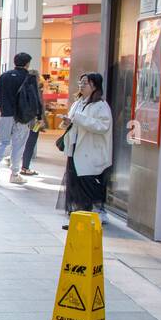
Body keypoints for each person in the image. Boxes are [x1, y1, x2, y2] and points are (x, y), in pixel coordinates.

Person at [59, 72, 112, 225]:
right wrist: (67, 122)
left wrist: (78, 119)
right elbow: (73, 123)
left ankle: (95, 212)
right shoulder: (78, 103)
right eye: (80, 82)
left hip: (90, 150)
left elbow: (102, 126)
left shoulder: (101, 106)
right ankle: (80, 212)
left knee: (89, 182)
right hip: (75, 148)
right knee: (76, 181)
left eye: (85, 83)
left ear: (94, 86)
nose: (81, 85)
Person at [0, 51, 41, 185]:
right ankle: (14, 174)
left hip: (5, 114)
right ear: (27, 63)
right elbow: (35, 99)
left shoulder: (4, 76)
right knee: (18, 145)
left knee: (2, 141)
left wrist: (3, 106)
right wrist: (38, 115)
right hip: (22, 117)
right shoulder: (29, 78)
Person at [20, 70, 45, 176]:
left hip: (22, 120)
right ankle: (25, 167)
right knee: (30, 144)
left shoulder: (23, 88)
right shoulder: (36, 90)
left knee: (22, 143)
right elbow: (39, 106)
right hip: (34, 121)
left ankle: (18, 164)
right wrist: (41, 120)